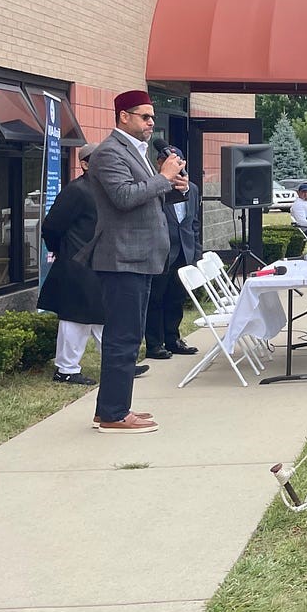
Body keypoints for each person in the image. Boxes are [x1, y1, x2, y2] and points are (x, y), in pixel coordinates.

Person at [83, 90, 187, 434]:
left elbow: (147, 193)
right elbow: (125, 197)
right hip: (121, 257)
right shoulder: (108, 153)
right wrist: (163, 176)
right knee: (123, 337)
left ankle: (115, 408)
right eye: (144, 116)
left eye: (152, 117)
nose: (151, 122)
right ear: (123, 116)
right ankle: (113, 413)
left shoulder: (137, 152)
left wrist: (174, 187)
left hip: (141, 257)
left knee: (130, 336)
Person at [37, 144, 103, 385]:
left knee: (102, 314)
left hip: (100, 262)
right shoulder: (77, 190)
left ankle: (115, 363)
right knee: (75, 317)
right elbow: (52, 226)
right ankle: (66, 369)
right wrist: (60, 250)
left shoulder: (105, 188)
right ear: (84, 164)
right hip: (77, 262)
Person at [143, 145, 201, 360]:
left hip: (183, 251)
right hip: (161, 252)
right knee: (156, 299)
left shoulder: (191, 189)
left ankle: (173, 338)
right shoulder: (154, 188)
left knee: (176, 299)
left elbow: (193, 223)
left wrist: (196, 253)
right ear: (160, 164)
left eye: (180, 163)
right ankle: (154, 344)